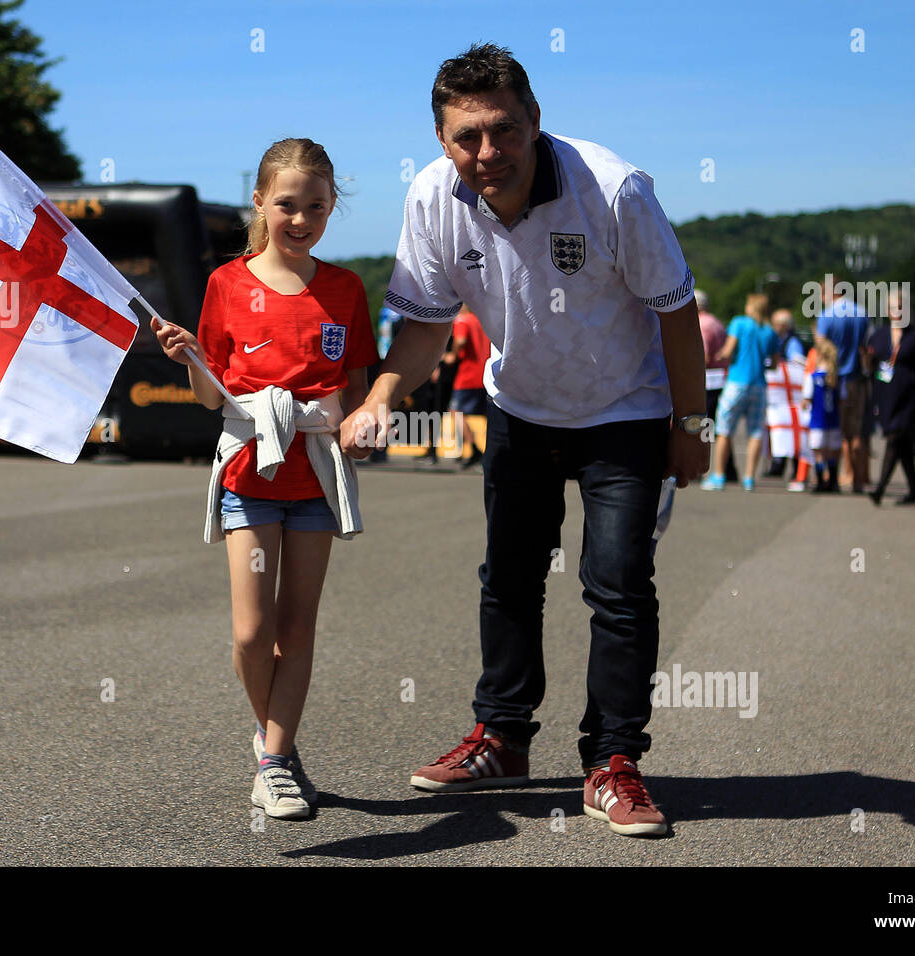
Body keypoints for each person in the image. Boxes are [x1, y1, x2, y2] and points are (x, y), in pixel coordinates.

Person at [339, 44, 708, 838]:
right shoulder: (434, 196)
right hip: (521, 410)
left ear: (536, 123)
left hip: (624, 412)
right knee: (508, 579)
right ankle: (502, 738)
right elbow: (425, 329)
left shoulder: (614, 189)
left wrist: (692, 425)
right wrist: (377, 399)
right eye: (466, 137)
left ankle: (613, 761)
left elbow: (677, 314)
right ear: (442, 141)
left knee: (616, 585)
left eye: (504, 131)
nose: (486, 153)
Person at [152, 138, 377, 818]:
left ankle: (275, 759)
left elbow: (356, 386)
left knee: (297, 627)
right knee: (253, 634)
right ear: (260, 202)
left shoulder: (344, 288)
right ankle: (273, 738)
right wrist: (189, 357)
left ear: (332, 206)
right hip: (249, 471)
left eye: (316, 205)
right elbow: (211, 397)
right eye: (287, 204)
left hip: (314, 475)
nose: (301, 218)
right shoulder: (227, 284)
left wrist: (359, 425)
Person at [867, 288, 915, 505]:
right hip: (885, 396)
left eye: (900, 307)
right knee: (903, 446)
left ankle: (879, 489)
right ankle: (914, 492)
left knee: (895, 439)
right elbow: (871, 367)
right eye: (892, 307)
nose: (896, 311)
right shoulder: (878, 335)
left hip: (909, 397)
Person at [702, 293, 778, 491]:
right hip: (759, 384)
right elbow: (775, 362)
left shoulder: (739, 323)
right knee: (755, 432)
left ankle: (718, 476)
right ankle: (749, 478)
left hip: (736, 381)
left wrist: (720, 357)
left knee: (724, 429)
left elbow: (728, 350)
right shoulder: (770, 331)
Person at [814, 274, 871, 492]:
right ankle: (857, 480)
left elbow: (822, 350)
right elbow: (867, 349)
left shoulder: (826, 316)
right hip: (856, 380)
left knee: (833, 430)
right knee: (855, 433)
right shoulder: (862, 314)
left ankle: (834, 477)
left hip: (833, 381)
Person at [698, 289, 737, 482]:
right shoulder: (716, 323)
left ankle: (701, 467)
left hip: (708, 380)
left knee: (704, 425)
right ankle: (729, 468)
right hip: (722, 378)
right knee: (721, 426)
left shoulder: (701, 324)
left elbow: (702, 356)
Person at [765, 307, 807, 479]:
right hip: (780, 395)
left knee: (792, 429)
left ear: (784, 326)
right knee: (780, 429)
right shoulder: (779, 341)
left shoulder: (792, 343)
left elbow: (797, 362)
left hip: (790, 396)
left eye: (776, 324)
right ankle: (778, 464)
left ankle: (792, 466)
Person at [449, 304, 492, 468]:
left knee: (456, 412)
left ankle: (474, 449)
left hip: (467, 375)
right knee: (489, 415)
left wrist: (452, 355)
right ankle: (493, 451)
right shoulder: (482, 320)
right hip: (486, 374)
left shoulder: (462, 320)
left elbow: (460, 340)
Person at [801, 340, 843, 492]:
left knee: (819, 453)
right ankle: (832, 482)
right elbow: (842, 400)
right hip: (834, 421)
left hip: (817, 421)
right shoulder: (837, 378)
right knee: (832, 452)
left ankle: (820, 482)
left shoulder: (812, 378)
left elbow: (806, 400)